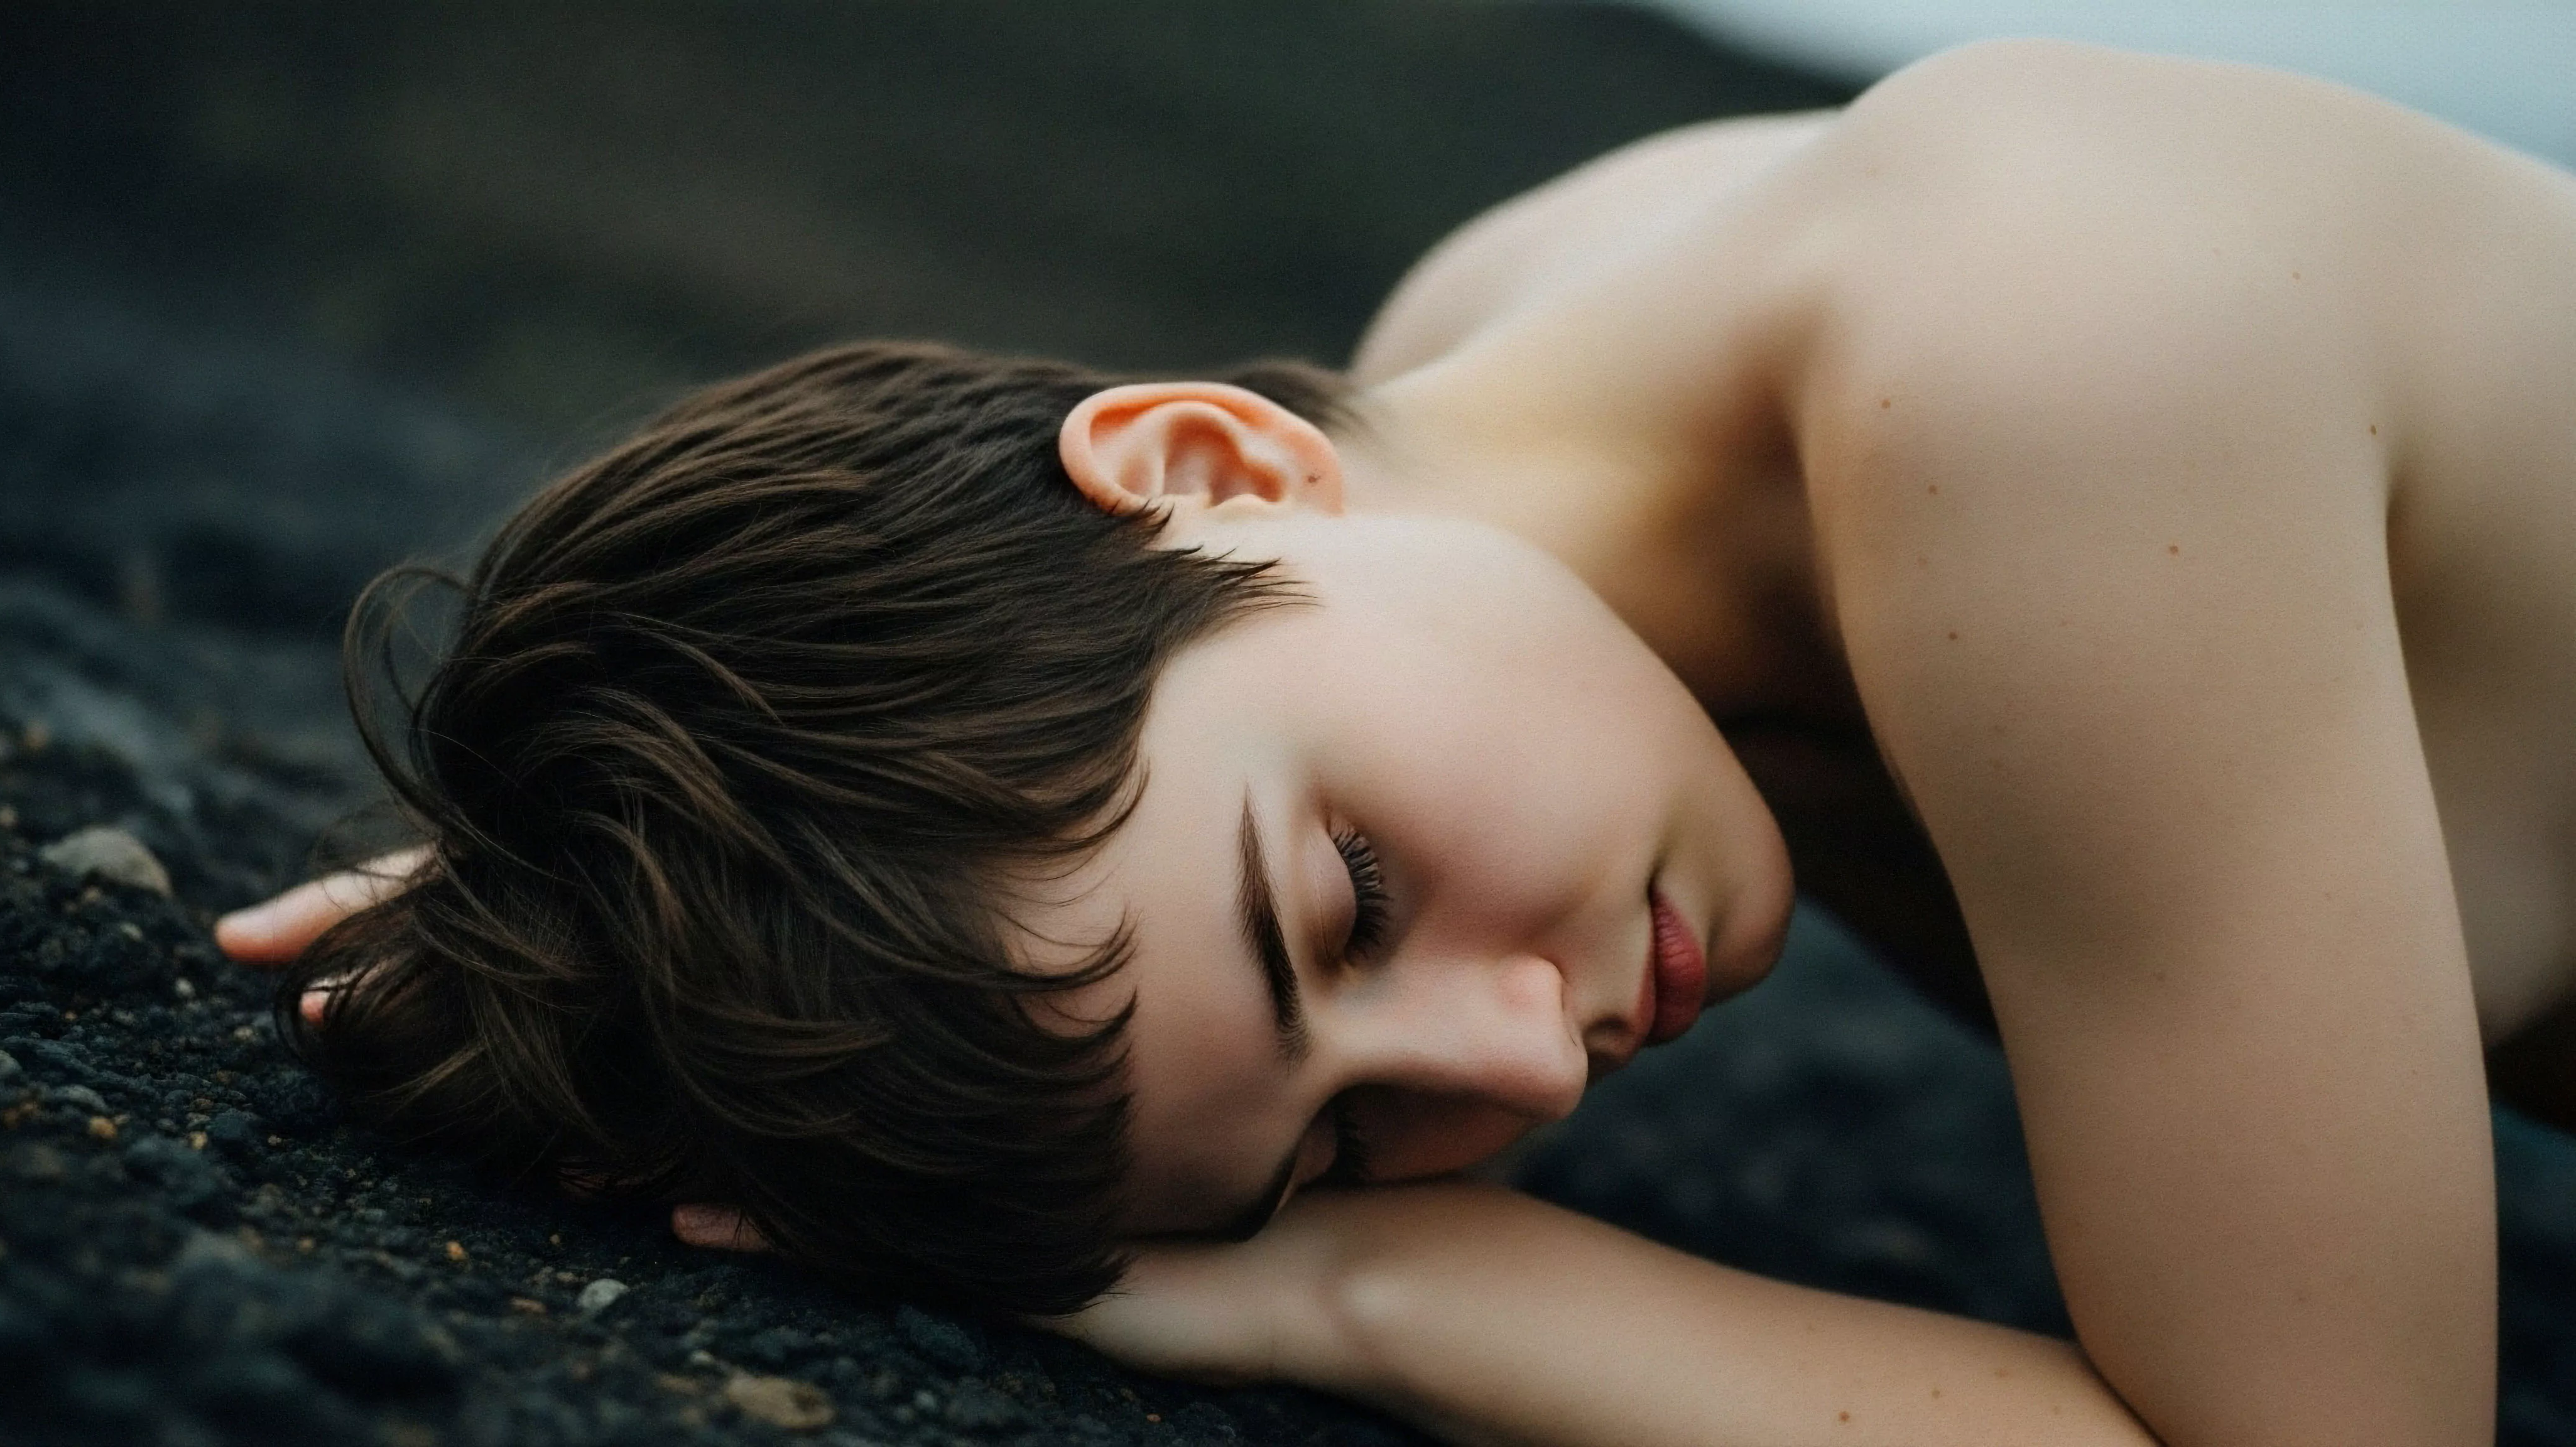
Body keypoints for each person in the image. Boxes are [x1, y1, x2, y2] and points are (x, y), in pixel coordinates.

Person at [215, 38, 2576, 1446]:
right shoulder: (1484, 360)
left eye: (1339, 904)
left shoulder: (2045, 371)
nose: (1523, 1074)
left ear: (1212, 471)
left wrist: (1364, 1289)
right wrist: (666, 927)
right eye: (1348, 1150)